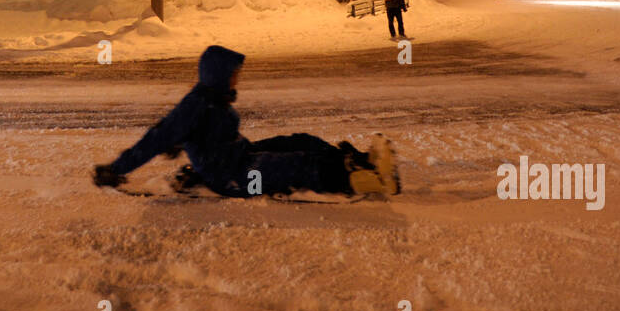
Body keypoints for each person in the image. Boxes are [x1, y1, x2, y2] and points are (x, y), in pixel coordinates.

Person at [93, 45, 398, 197]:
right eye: (234, 73)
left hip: (242, 156)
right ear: (219, 74)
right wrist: (116, 169)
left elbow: (185, 134)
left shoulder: (213, 98)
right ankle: (363, 180)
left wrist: (179, 143)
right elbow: (156, 138)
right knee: (295, 165)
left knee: (301, 141)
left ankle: (358, 159)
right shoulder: (197, 105)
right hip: (234, 177)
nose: (238, 77)